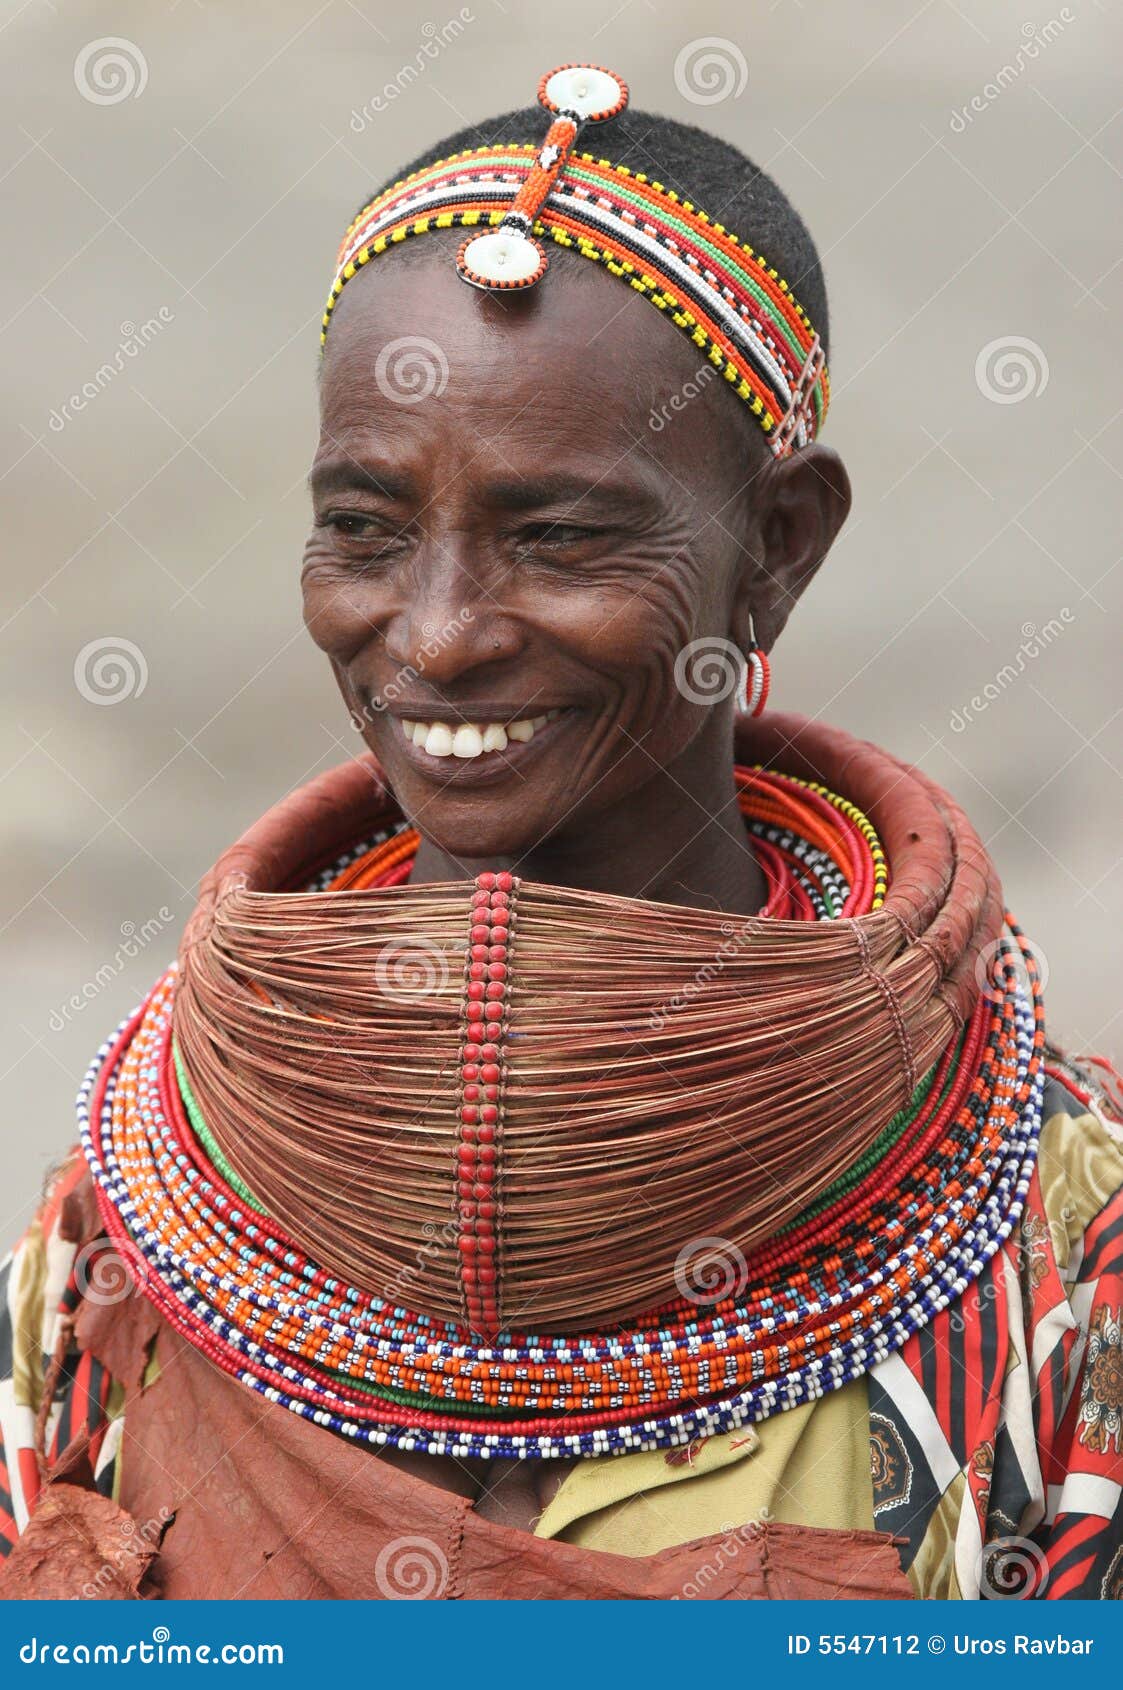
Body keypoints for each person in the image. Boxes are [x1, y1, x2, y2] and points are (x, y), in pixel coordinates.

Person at [1, 63, 1120, 1603]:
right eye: (366, 528)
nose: (440, 636)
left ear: (779, 549)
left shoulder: (1061, 1249)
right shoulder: (125, 1221)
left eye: (565, 534)